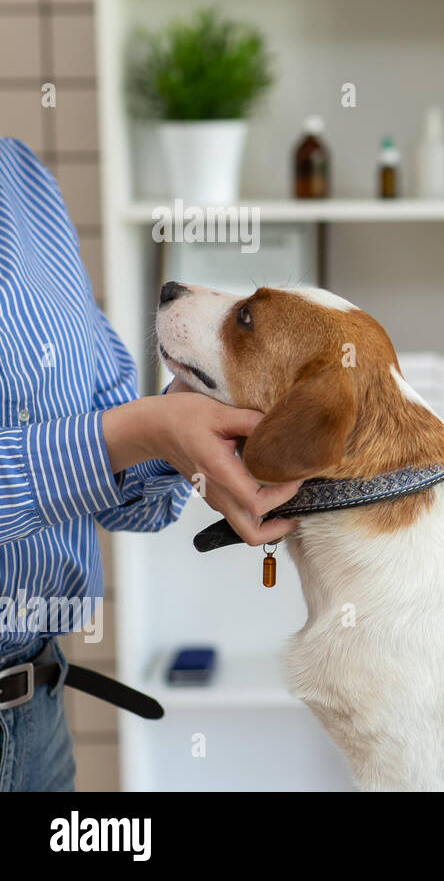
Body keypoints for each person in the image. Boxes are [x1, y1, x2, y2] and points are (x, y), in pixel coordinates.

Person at [0, 136, 303, 791]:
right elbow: (114, 432)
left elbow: (120, 476)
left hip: (35, 706)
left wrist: (175, 425)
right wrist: (149, 428)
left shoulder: (21, 179)